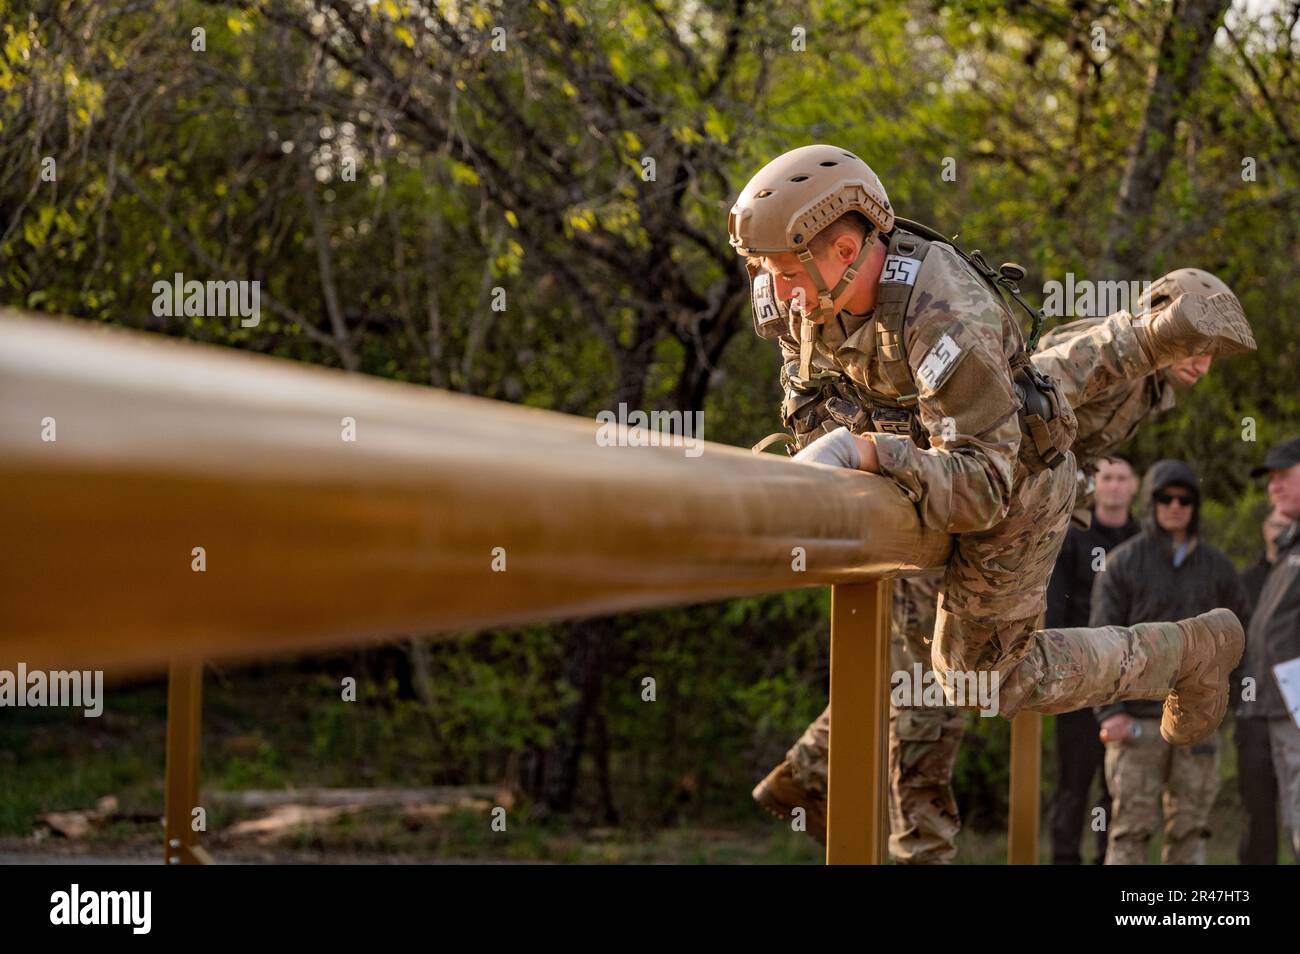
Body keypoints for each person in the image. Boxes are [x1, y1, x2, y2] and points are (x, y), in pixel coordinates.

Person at [728, 144, 1254, 841]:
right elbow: (813, 396)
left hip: (1014, 485)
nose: (778, 291)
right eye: (768, 272)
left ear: (849, 249)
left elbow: (984, 487)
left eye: (789, 273)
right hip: (948, 432)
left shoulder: (943, 313)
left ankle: (1189, 651)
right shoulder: (791, 290)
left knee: (978, 677)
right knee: (1035, 386)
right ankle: (1157, 331)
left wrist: (864, 452)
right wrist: (826, 447)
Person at [1090, 460, 1248, 864]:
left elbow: (1240, 638)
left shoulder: (1218, 567)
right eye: (1165, 498)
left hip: (1199, 721)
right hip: (1136, 721)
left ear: (1195, 505)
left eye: (1184, 499)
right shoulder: (1123, 562)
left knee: (1190, 831)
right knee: (1129, 829)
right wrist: (1110, 713)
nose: (1175, 506)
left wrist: (1228, 708)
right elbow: (1102, 641)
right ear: (1151, 503)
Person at [1045, 455, 1141, 864]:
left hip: (1132, 680)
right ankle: (1065, 858)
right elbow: (1056, 610)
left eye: (1123, 478)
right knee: (1074, 782)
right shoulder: (1074, 538)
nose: (1115, 485)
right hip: (1082, 682)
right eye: (1107, 478)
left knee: (1117, 785)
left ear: (1134, 486)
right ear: (1095, 484)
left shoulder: (1143, 541)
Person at [1238, 438, 1300, 860]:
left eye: (1284, 477)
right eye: (1270, 480)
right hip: (1277, 701)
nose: (1273, 488)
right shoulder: (1290, 544)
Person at [1234, 506, 1292, 863]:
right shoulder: (1244, 582)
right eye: (1276, 524)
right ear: (1263, 530)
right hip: (1252, 711)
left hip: (1294, 709)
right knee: (1256, 810)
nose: (1281, 531)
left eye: (1289, 525)